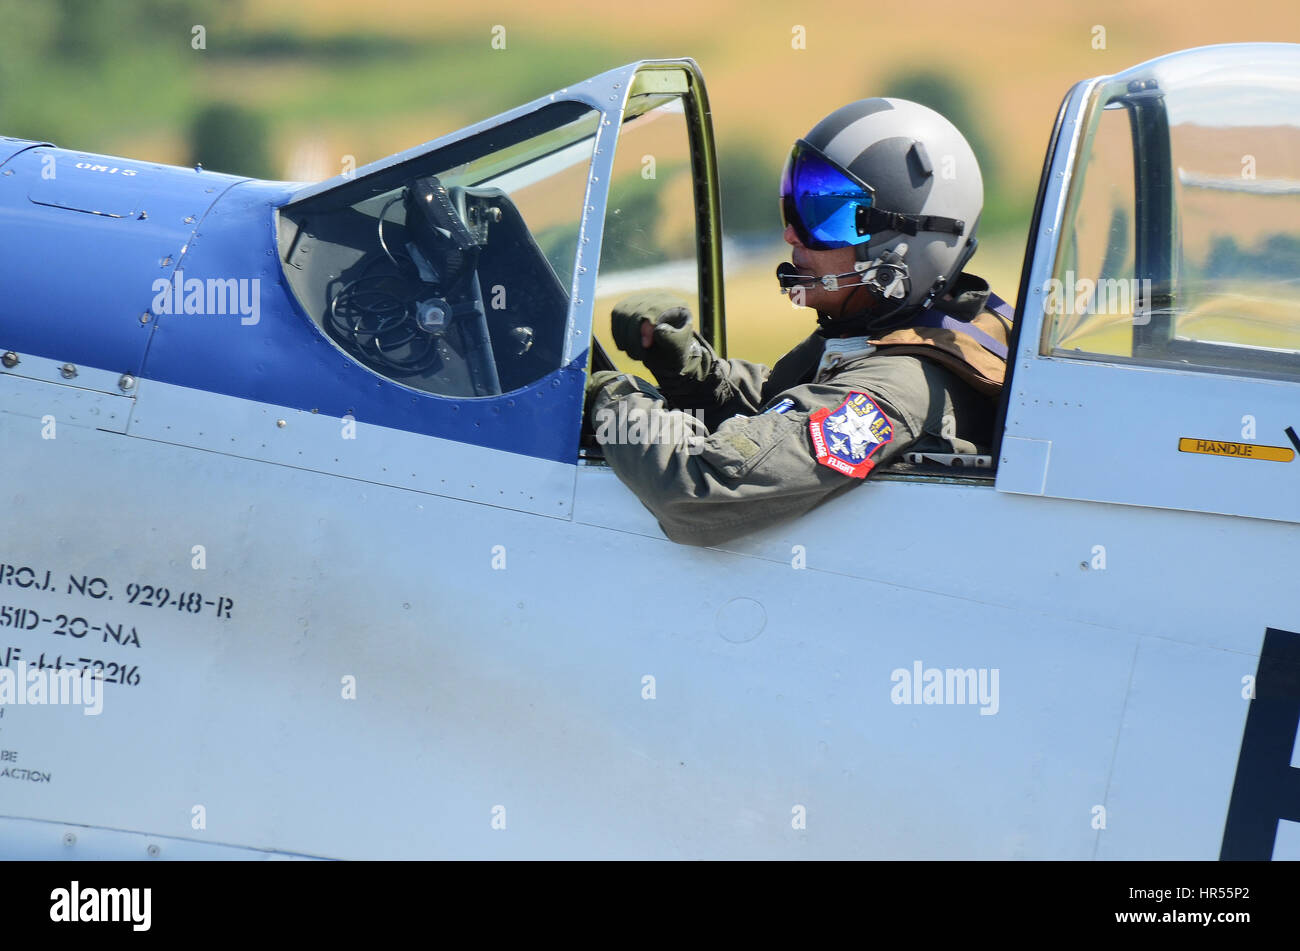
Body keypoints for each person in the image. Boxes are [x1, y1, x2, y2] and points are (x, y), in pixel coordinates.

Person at [584, 97, 1014, 546]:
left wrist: (612, 398)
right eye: (794, 208)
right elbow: (785, 407)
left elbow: (700, 492)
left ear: (901, 243)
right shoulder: (895, 334)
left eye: (824, 216)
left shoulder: (890, 393)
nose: (791, 234)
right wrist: (695, 373)